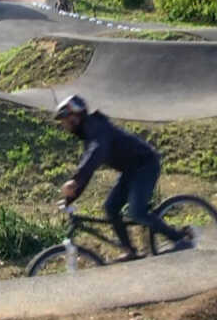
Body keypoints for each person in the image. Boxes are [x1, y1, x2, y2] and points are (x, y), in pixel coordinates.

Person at [53, 94, 192, 262]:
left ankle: (179, 239)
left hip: (145, 165)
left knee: (136, 212)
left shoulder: (97, 128)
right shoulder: (89, 133)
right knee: (111, 207)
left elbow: (96, 153)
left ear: (76, 115)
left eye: (65, 120)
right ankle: (130, 250)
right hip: (131, 170)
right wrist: (70, 198)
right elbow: (88, 170)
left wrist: (75, 179)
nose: (64, 125)